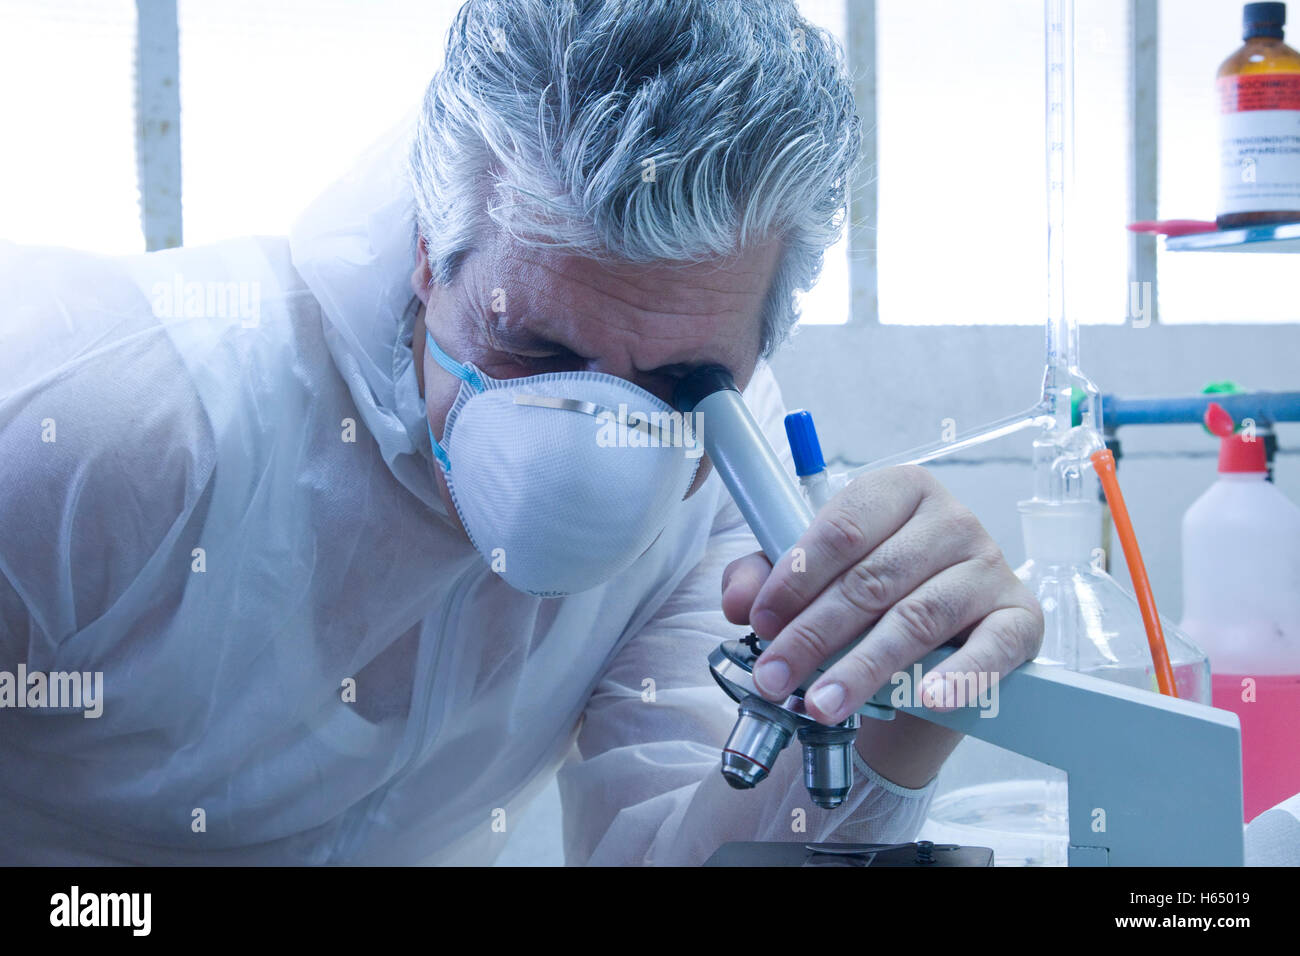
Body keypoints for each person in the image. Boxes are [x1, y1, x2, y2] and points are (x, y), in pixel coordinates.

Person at [0, 0, 1041, 865]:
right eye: (539, 355)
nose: (596, 448)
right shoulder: (101, 417)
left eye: (678, 380)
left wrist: (896, 717)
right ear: (425, 252)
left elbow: (675, 848)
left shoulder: (727, 467)